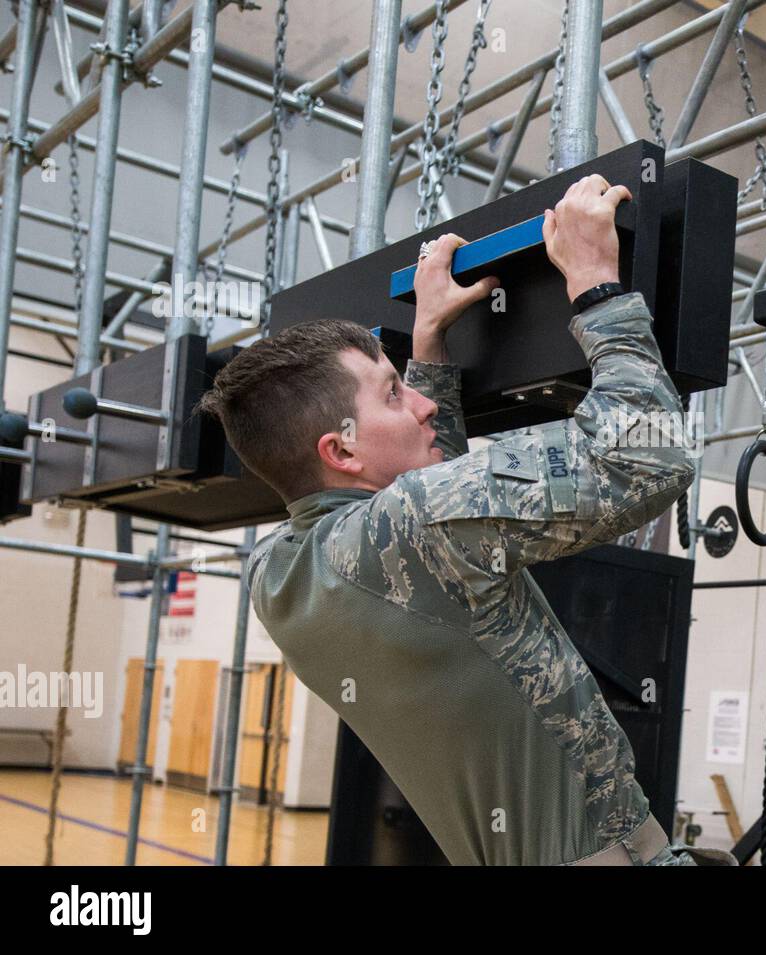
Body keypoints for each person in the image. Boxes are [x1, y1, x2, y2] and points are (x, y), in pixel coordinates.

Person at [198, 174, 736, 866]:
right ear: (342, 450)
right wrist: (596, 287)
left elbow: (443, 531)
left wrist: (428, 346)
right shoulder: (415, 527)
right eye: (393, 395)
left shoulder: (275, 574)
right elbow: (645, 456)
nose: (421, 405)